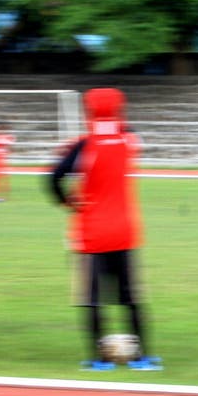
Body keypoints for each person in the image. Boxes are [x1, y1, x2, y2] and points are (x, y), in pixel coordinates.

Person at [48, 87, 161, 371]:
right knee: (131, 297)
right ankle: (143, 357)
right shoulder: (129, 138)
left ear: (88, 110)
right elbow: (125, 131)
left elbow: (53, 177)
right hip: (125, 230)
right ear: (120, 108)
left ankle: (98, 359)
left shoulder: (82, 146)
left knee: (91, 298)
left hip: (92, 233)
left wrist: (68, 202)